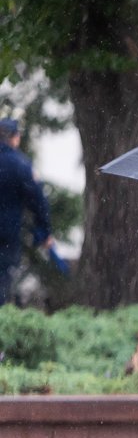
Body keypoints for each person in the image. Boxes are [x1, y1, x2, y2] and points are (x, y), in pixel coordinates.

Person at [0, 117, 54, 305]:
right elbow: (38, 200)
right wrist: (45, 232)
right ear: (15, 138)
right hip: (7, 235)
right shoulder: (20, 165)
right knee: (3, 282)